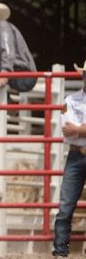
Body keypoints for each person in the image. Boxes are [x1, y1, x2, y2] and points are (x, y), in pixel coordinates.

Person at [52, 61, 86, 257]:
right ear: (82, 76)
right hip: (75, 154)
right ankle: (60, 251)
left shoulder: (70, 101)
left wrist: (79, 129)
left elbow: (73, 130)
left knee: (65, 206)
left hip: (75, 155)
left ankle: (61, 250)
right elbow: (67, 129)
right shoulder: (69, 100)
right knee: (65, 207)